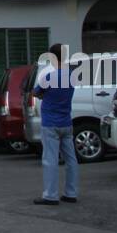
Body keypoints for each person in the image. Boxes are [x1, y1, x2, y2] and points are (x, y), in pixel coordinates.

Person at [32, 44, 78, 205]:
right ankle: (71, 193)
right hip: (66, 121)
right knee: (71, 159)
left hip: (50, 123)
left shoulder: (49, 77)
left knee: (50, 159)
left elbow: (36, 93)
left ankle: (50, 195)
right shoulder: (71, 76)